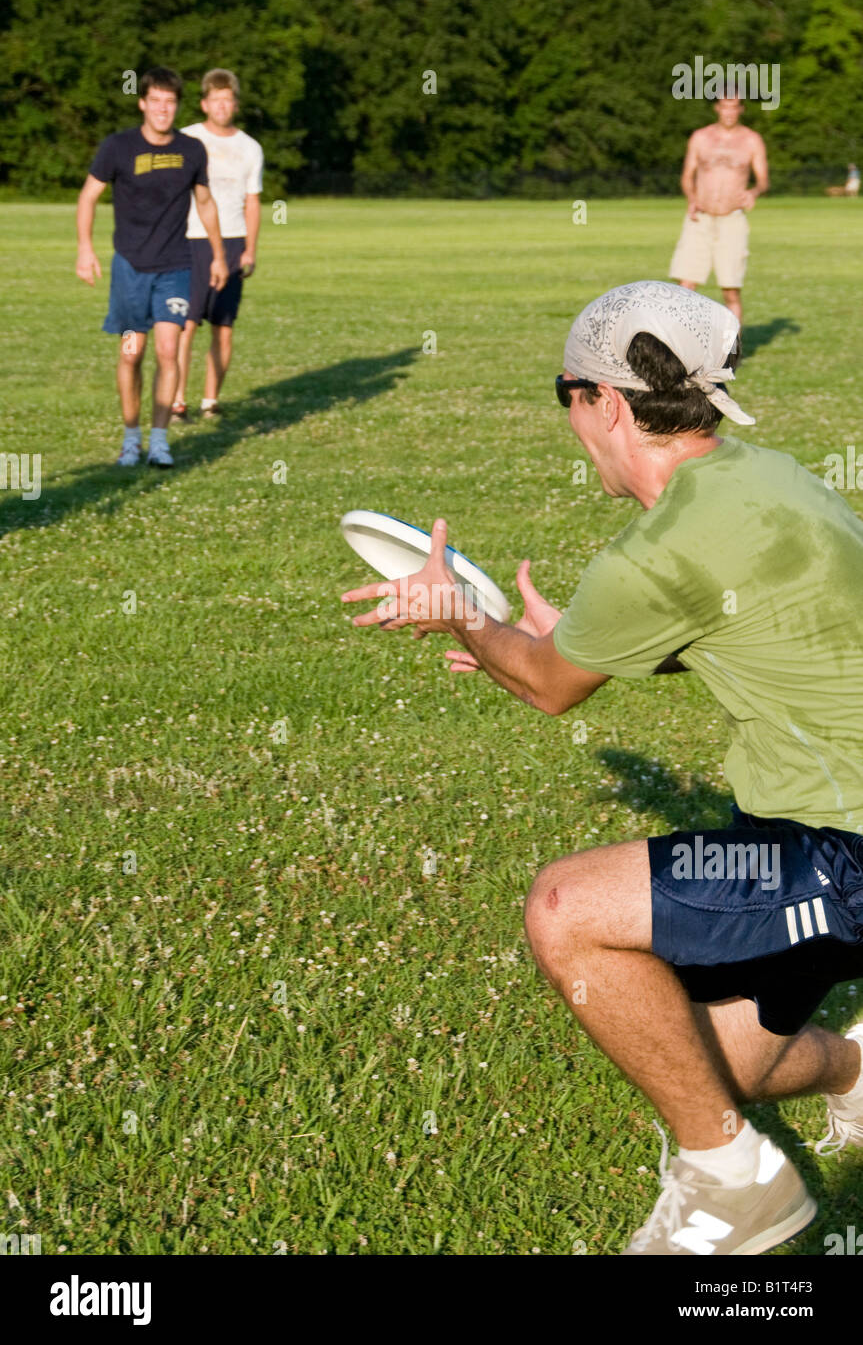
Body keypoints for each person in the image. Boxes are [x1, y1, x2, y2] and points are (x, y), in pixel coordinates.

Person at [341, 280, 863, 1256]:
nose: (571, 418)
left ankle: (729, 1181)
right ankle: (851, 1071)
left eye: (565, 393)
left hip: (837, 849)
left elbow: (546, 688)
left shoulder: (659, 548)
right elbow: (753, 611)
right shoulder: (768, 473)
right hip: (801, 827)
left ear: (608, 403)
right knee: (712, 1062)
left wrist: (462, 614)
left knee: (563, 910)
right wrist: (577, 639)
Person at [76, 67, 228, 468]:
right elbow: (88, 196)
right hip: (130, 268)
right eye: (156, 101)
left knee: (167, 349)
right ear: (143, 103)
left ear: (178, 106)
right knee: (131, 352)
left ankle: (159, 441)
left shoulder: (192, 150)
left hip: (175, 266)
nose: (163, 109)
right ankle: (131, 439)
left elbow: (206, 203)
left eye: (170, 102)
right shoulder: (118, 147)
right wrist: (84, 248)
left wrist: (218, 254)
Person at [171, 68, 264, 421]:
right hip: (191, 239)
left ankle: (211, 401)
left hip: (232, 240)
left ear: (235, 105)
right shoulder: (188, 140)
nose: (222, 106)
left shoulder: (250, 148)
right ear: (204, 104)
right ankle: (177, 400)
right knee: (187, 324)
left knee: (223, 326)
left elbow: (252, 202)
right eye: (216, 99)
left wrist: (250, 250)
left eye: (228, 99)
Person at [670, 95, 768, 325]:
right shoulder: (700, 137)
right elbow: (687, 176)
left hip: (731, 220)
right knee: (686, 287)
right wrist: (691, 198)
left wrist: (753, 192)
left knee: (730, 291)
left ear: (741, 109)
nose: (729, 112)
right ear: (717, 108)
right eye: (725, 107)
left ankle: (730, 355)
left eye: (734, 107)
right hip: (699, 219)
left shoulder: (752, 140)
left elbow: (763, 180)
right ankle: (684, 350)